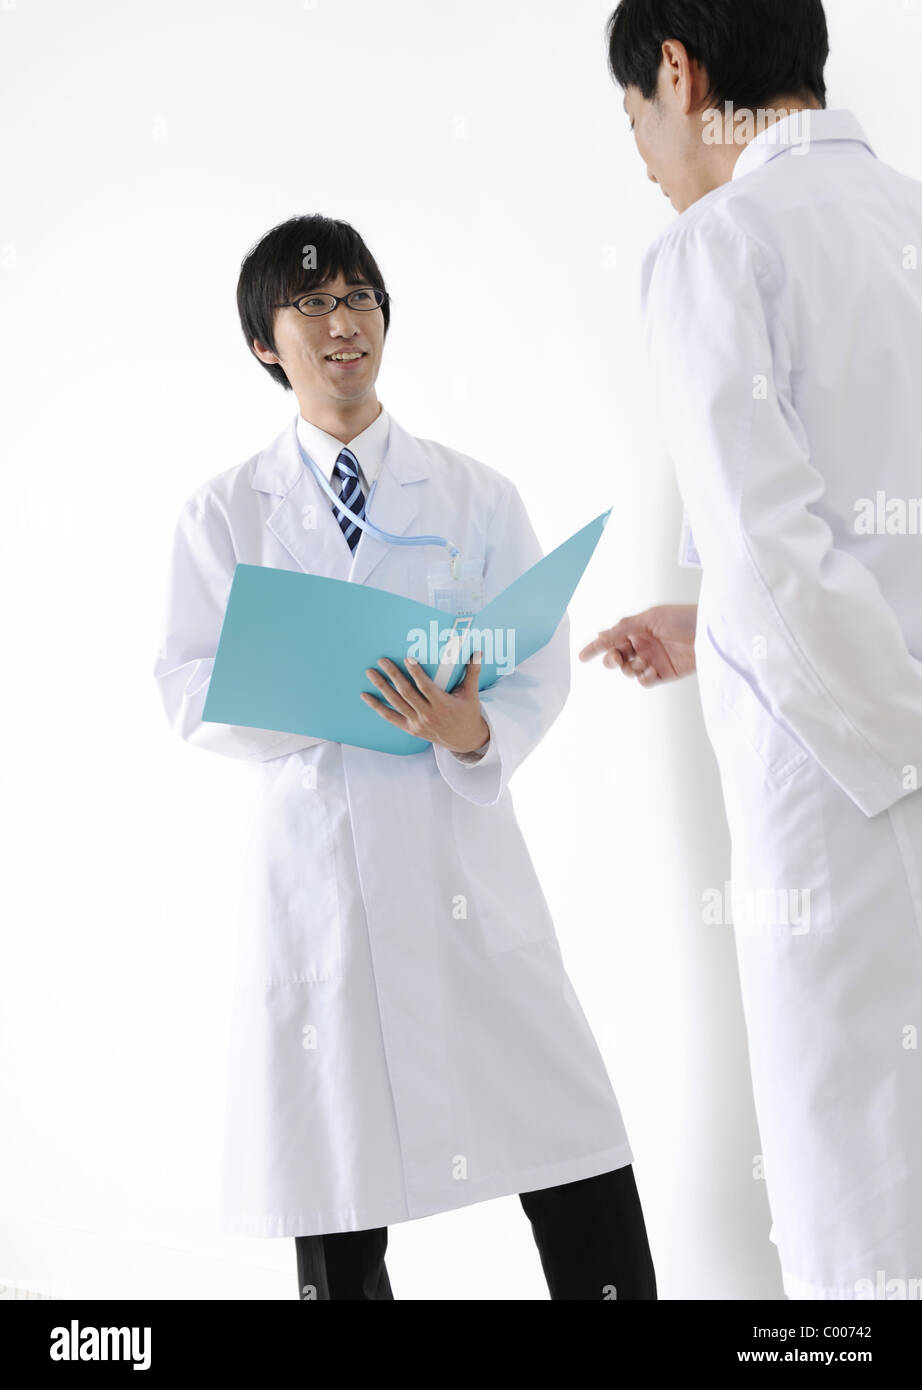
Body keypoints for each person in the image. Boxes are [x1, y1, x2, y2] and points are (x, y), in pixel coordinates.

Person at [152, 214, 656, 1300]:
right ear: (264, 343)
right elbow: (187, 685)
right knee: (340, 1197)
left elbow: (532, 668)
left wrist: (470, 731)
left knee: (571, 1150)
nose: (344, 325)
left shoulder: (475, 496)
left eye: (361, 299)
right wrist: (322, 696)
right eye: (315, 305)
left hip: (460, 877)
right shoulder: (223, 514)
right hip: (319, 890)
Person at [581, 0, 922, 1300]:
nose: (644, 150)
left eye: (633, 115)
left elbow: (780, 563)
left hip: (848, 825)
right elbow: (821, 542)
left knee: (864, 1222)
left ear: (679, 70)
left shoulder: (716, 246)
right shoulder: (902, 214)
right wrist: (712, 614)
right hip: (873, 759)